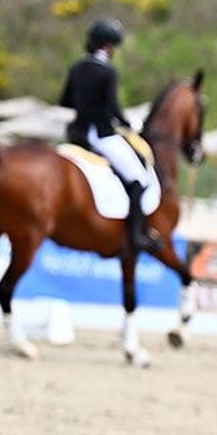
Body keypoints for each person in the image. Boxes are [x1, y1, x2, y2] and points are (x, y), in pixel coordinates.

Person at [58, 18, 153, 257]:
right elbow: (111, 107)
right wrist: (127, 124)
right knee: (138, 178)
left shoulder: (76, 68)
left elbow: (65, 101)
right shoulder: (108, 72)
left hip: (76, 134)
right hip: (100, 135)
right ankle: (135, 236)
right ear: (109, 47)